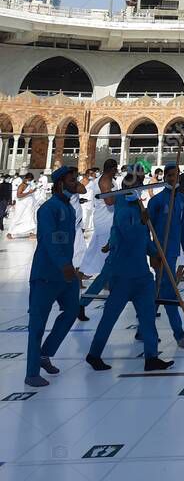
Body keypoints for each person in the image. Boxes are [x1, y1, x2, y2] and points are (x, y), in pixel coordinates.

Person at [85, 166, 173, 373]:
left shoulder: (137, 206)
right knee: (110, 316)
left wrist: (155, 252)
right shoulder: (124, 207)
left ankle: (151, 357)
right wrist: (141, 222)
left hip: (141, 275)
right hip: (123, 274)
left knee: (148, 317)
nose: (141, 186)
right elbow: (128, 235)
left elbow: (143, 239)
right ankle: (94, 354)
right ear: (128, 185)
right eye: (138, 183)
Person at [24, 165, 81, 388]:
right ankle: (31, 373)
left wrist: (70, 266)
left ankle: (45, 354)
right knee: (37, 324)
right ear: (59, 184)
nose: (75, 183)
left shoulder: (70, 208)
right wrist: (62, 264)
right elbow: (48, 239)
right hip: (46, 274)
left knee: (72, 311)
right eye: (71, 180)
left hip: (66, 274)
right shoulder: (48, 209)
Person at [148, 163, 184, 348]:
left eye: (176, 175)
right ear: (165, 176)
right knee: (170, 293)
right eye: (170, 175)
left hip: (173, 252)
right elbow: (146, 228)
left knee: (160, 291)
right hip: (160, 253)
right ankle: (179, 334)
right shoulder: (156, 201)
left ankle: (143, 329)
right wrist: (151, 252)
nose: (173, 178)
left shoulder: (181, 199)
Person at [79, 159, 118, 276]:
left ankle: (83, 272)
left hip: (109, 216)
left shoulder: (111, 180)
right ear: (112, 169)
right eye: (115, 169)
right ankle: (104, 276)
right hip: (104, 218)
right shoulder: (104, 181)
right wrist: (122, 196)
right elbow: (109, 201)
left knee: (95, 247)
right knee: (105, 247)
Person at [7, 172, 37, 239]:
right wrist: (29, 192)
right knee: (17, 218)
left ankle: (31, 233)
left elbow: (31, 192)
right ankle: (10, 233)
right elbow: (19, 195)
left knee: (30, 218)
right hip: (22, 206)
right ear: (25, 178)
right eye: (28, 180)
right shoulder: (22, 185)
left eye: (30, 180)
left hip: (28, 206)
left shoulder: (29, 185)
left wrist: (33, 191)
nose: (28, 181)